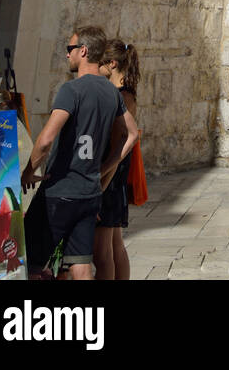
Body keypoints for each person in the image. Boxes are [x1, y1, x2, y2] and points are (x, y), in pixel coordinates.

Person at [21, 24, 138, 280]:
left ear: (83, 51)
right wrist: (107, 166)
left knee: (32, 263)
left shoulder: (71, 90)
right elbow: (133, 133)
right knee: (81, 267)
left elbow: (45, 140)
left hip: (60, 192)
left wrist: (28, 172)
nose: (67, 54)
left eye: (70, 49)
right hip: (90, 194)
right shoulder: (112, 92)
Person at [93, 39, 140, 280]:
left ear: (111, 64)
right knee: (114, 245)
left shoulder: (122, 97)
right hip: (114, 181)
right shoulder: (125, 94)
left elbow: (117, 148)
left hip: (110, 181)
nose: (96, 68)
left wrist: (99, 183)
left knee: (101, 254)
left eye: (99, 63)